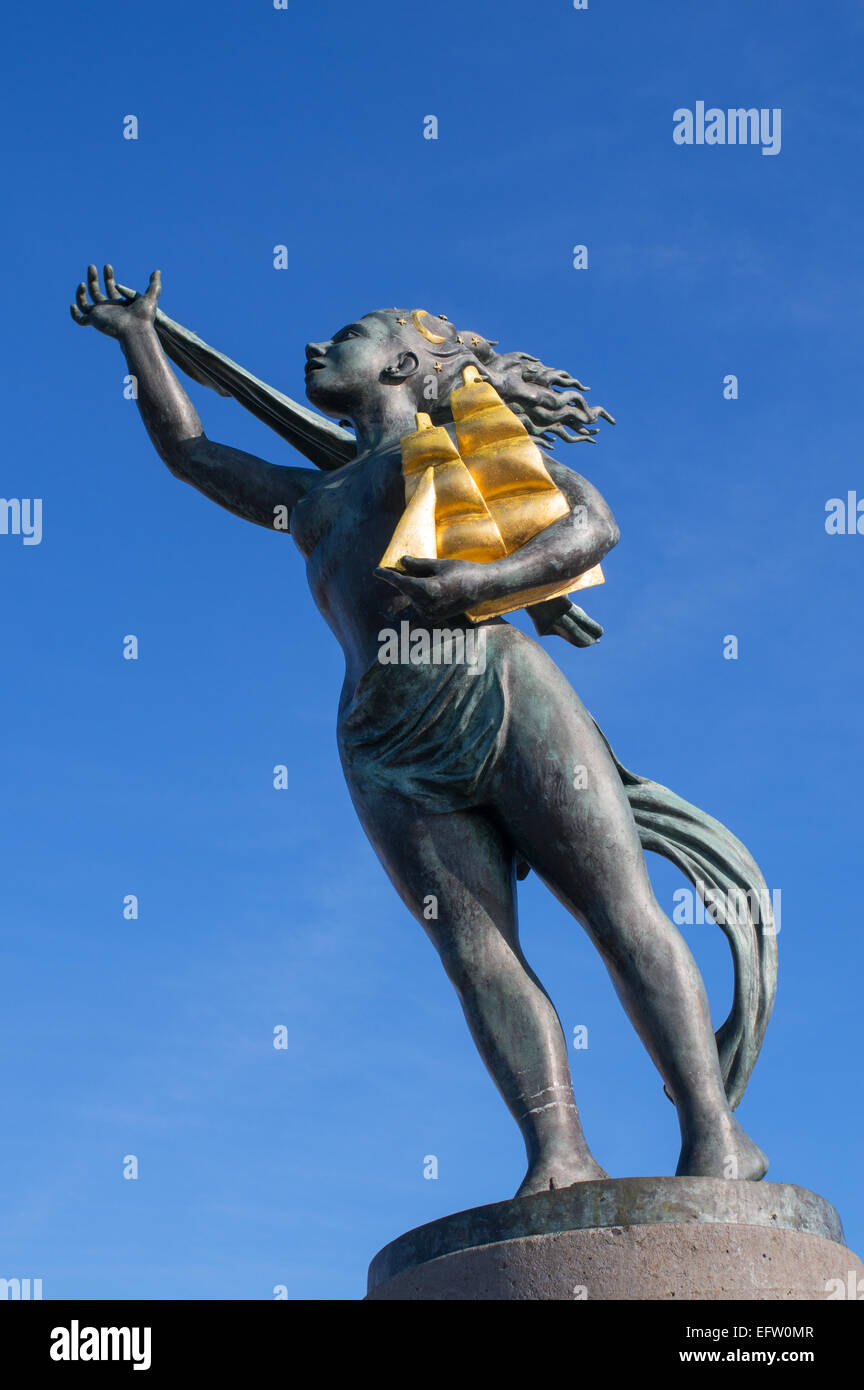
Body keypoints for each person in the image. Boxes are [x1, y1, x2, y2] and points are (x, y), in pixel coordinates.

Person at [72, 265, 774, 1195]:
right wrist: (140, 341)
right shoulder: (314, 500)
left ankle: (715, 1134)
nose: (319, 349)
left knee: (617, 911)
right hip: (385, 746)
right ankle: (558, 1155)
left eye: (349, 335)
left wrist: (478, 587)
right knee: (474, 950)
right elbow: (195, 455)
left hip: (500, 691)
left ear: (404, 362)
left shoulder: (456, 450)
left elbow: (592, 522)